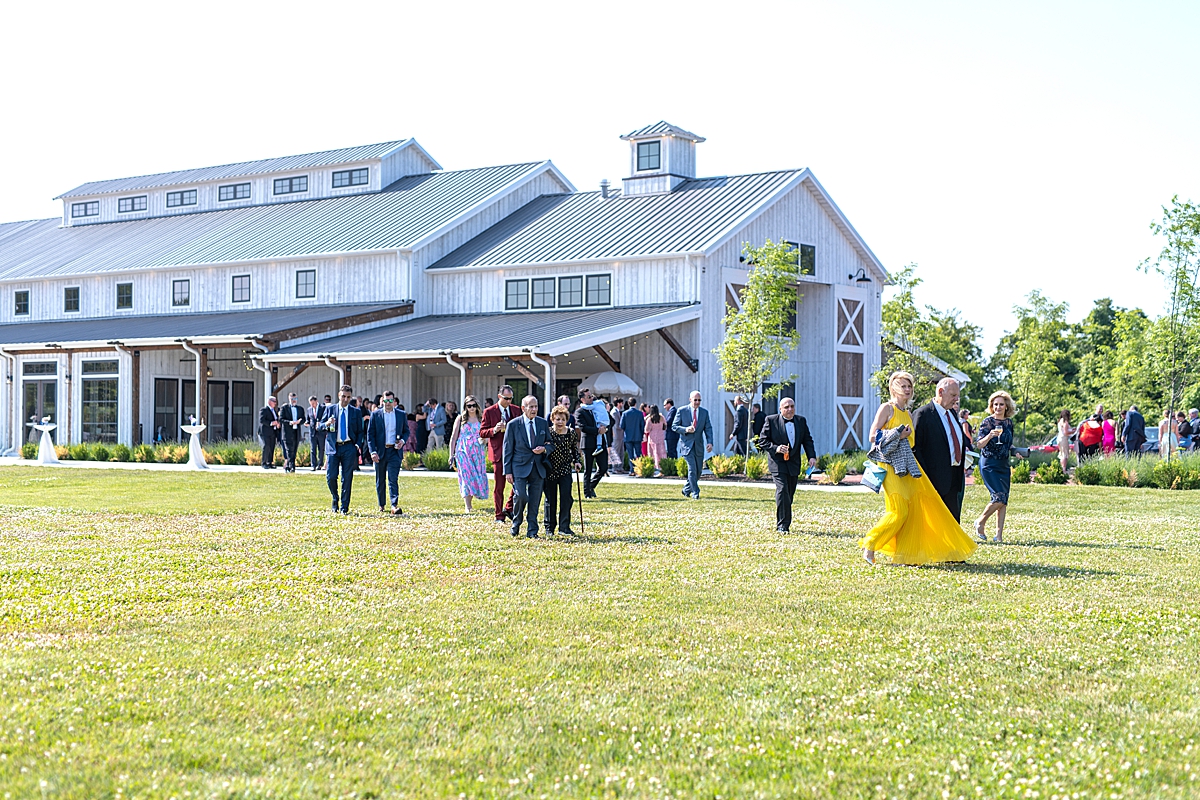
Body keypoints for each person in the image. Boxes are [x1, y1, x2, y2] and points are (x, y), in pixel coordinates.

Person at [860, 371, 978, 566]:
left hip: (906, 468)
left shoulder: (907, 413)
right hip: (889, 467)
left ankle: (905, 555)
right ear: (893, 387)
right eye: (903, 386)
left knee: (911, 511)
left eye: (909, 386)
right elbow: (873, 436)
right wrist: (897, 434)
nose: (907, 390)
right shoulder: (886, 409)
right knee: (898, 512)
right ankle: (870, 543)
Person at [756, 396, 816, 533]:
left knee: (789, 493)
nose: (790, 409)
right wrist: (776, 448)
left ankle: (785, 520)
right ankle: (782, 525)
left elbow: (807, 440)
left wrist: (811, 456)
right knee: (782, 490)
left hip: (794, 463)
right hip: (777, 463)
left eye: (792, 406)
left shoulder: (801, 421)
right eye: (786, 407)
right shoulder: (771, 421)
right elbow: (762, 441)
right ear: (780, 409)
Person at [910, 378, 967, 522]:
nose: (956, 400)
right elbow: (916, 448)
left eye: (957, 396)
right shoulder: (923, 414)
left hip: (955, 475)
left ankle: (952, 545)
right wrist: (926, 477)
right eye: (953, 395)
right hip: (934, 479)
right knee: (935, 522)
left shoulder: (952, 414)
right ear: (941, 392)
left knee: (952, 521)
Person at [503, 395, 553, 538]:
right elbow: (507, 449)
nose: (534, 409)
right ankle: (516, 521)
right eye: (531, 407)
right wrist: (508, 471)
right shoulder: (513, 425)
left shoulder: (543, 423)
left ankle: (532, 531)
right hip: (519, 467)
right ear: (523, 408)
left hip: (538, 468)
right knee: (521, 496)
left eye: (536, 406)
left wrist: (544, 449)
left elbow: (550, 443)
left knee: (535, 500)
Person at [974, 391, 1019, 543]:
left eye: (1001, 404)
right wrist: (990, 436)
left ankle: (998, 536)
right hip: (989, 463)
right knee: (998, 497)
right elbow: (979, 444)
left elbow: (1008, 443)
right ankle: (980, 522)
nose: (998, 407)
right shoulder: (987, 422)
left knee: (1003, 500)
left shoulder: (1009, 423)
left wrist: (1015, 451)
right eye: (995, 404)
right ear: (992, 407)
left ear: (1006, 406)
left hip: (1003, 464)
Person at [322, 385, 363, 515]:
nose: (345, 399)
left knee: (347, 478)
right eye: (343, 396)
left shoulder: (355, 412)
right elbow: (319, 426)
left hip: (349, 447)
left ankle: (345, 507)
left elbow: (361, 431)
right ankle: (335, 497)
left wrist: (357, 445)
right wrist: (327, 424)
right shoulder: (330, 410)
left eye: (348, 397)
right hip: (334, 447)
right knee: (331, 477)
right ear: (339, 395)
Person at [480, 385, 517, 523]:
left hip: (514, 453)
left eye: (511, 399)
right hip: (498, 453)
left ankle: (509, 507)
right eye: (506, 398)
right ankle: (499, 515)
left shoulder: (516, 410)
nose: (509, 401)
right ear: (499, 397)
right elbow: (482, 432)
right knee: (499, 486)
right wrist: (494, 430)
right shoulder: (489, 412)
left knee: (518, 483)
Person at [366, 391, 407, 515]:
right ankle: (381, 504)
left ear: (394, 401)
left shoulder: (401, 414)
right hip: (380, 451)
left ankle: (394, 505)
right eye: (386, 401)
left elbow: (406, 431)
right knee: (380, 479)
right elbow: (370, 435)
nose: (388, 403)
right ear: (382, 401)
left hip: (394, 451)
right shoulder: (376, 414)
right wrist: (373, 452)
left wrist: (403, 441)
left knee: (393, 479)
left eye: (390, 401)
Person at [543, 405, 580, 536]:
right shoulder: (547, 432)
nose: (560, 422)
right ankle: (549, 527)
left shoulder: (570, 433)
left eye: (563, 420)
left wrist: (577, 461)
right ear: (552, 419)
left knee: (566, 498)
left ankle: (564, 527)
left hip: (565, 469)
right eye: (557, 419)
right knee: (550, 499)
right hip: (550, 470)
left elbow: (574, 449)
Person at [448, 395, 489, 513]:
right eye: (469, 406)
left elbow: (487, 436)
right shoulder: (460, 419)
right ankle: (468, 505)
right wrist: (451, 454)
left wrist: (484, 440)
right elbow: (453, 437)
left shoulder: (481, 418)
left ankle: (476, 494)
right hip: (463, 451)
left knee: (476, 476)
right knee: (466, 477)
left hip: (477, 452)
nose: (471, 408)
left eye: (473, 405)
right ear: (465, 407)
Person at [673, 390, 714, 499]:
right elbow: (674, 426)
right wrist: (686, 429)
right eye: (695, 400)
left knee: (699, 471)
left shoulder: (704, 413)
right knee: (692, 469)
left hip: (699, 445)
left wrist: (710, 442)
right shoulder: (682, 411)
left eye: (699, 400)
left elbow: (708, 428)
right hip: (686, 446)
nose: (697, 402)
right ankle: (695, 492)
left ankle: (686, 489)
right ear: (690, 399)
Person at [576, 389, 606, 498]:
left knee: (603, 468)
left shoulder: (596, 408)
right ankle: (587, 493)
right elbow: (583, 427)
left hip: (600, 442)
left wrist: (604, 427)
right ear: (582, 399)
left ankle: (591, 485)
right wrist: (597, 430)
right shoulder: (580, 412)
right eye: (589, 397)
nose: (591, 398)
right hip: (588, 443)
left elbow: (608, 420)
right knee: (588, 469)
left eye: (591, 396)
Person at [278, 392, 305, 473]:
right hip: (287, 432)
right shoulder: (284, 408)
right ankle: (292, 467)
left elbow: (303, 418)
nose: (294, 401)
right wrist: (290, 422)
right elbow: (281, 419)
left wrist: (299, 421)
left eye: (295, 399)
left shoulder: (300, 408)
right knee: (289, 450)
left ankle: (288, 466)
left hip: (296, 432)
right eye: (292, 399)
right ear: (289, 399)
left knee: (294, 449)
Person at [620, 397, 645, 467]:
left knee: (630, 454)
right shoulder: (640, 414)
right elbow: (642, 425)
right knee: (638, 454)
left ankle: (632, 470)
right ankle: (640, 469)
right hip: (638, 436)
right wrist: (642, 434)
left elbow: (621, 426)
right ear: (635, 404)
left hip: (628, 436)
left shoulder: (625, 413)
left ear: (628, 404)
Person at [258, 396, 281, 470]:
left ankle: (269, 462)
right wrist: (271, 423)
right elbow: (262, 420)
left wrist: (277, 423)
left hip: (273, 432)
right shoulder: (264, 410)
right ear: (269, 401)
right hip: (265, 432)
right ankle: (264, 462)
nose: (275, 403)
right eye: (274, 401)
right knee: (266, 446)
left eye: (275, 401)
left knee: (272, 446)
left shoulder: (274, 411)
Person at [643, 405, 668, 471]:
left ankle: (654, 466)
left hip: (652, 437)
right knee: (661, 452)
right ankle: (662, 466)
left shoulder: (650, 419)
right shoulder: (662, 417)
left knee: (653, 452)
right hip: (661, 436)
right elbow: (665, 426)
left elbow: (646, 430)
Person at [306, 395, 327, 471]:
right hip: (312, 432)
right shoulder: (309, 409)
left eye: (313, 404)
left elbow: (326, 418)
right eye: (311, 404)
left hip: (321, 432)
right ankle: (313, 465)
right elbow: (308, 419)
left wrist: (321, 424)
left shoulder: (323, 408)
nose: (312, 405)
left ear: (316, 401)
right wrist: (307, 423)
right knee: (312, 449)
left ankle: (320, 464)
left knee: (321, 448)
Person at [610, 398, 626, 472]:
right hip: (616, 435)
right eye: (621, 403)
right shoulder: (614, 412)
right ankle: (615, 468)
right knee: (616, 451)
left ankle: (620, 468)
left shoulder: (618, 412)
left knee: (621, 452)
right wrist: (624, 426)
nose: (622, 405)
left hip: (620, 435)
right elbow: (616, 425)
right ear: (618, 403)